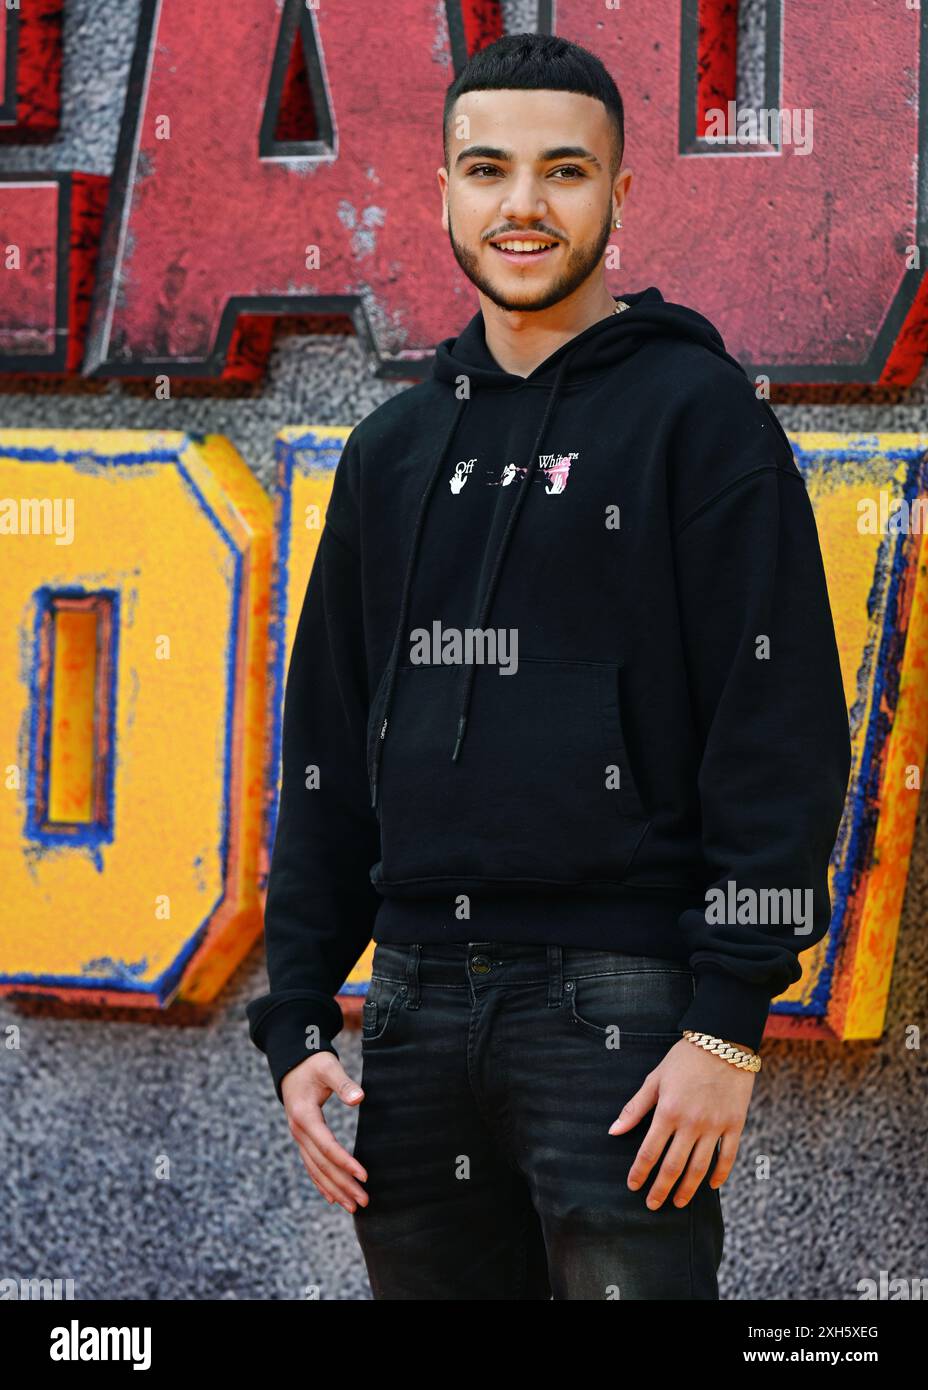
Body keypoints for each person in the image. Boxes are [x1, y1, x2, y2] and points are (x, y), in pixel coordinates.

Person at [245, 31, 852, 1300]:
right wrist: (296, 1008)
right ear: (445, 192)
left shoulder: (700, 420)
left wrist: (725, 1027)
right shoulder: (396, 447)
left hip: (618, 1019)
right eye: (487, 169)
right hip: (408, 1015)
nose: (522, 205)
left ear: (619, 197)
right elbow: (327, 740)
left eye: (563, 171)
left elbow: (779, 727)